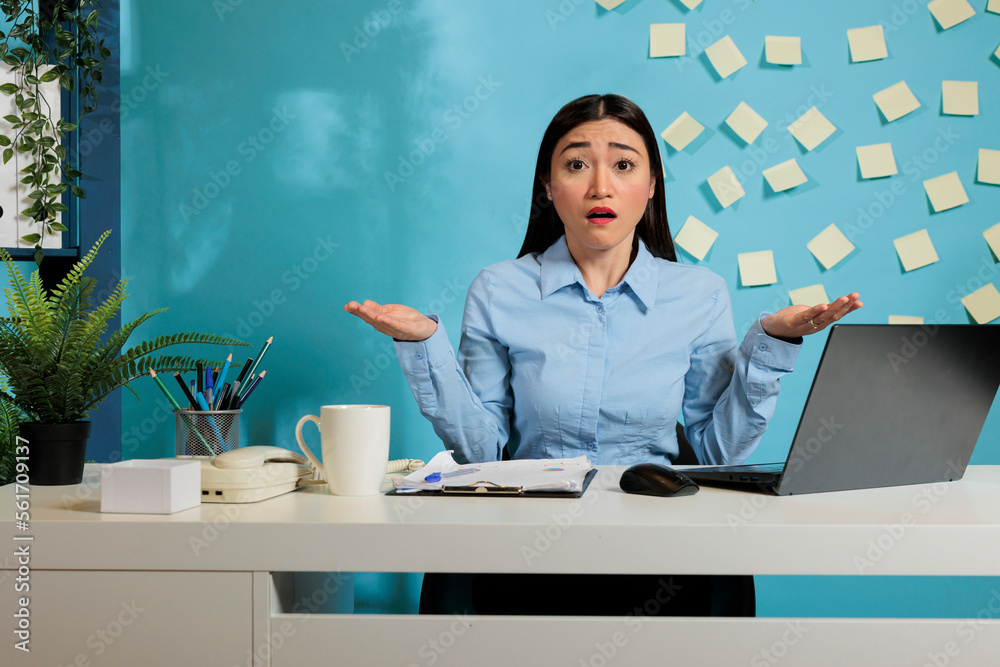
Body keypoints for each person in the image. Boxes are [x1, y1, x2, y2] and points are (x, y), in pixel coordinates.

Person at [345, 93, 862, 616]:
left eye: (622, 164)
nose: (600, 185)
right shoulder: (498, 289)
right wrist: (422, 345)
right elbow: (483, 453)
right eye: (575, 164)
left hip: (661, 545)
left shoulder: (698, 293)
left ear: (652, 185)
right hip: (525, 547)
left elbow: (717, 454)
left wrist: (772, 343)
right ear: (548, 187)